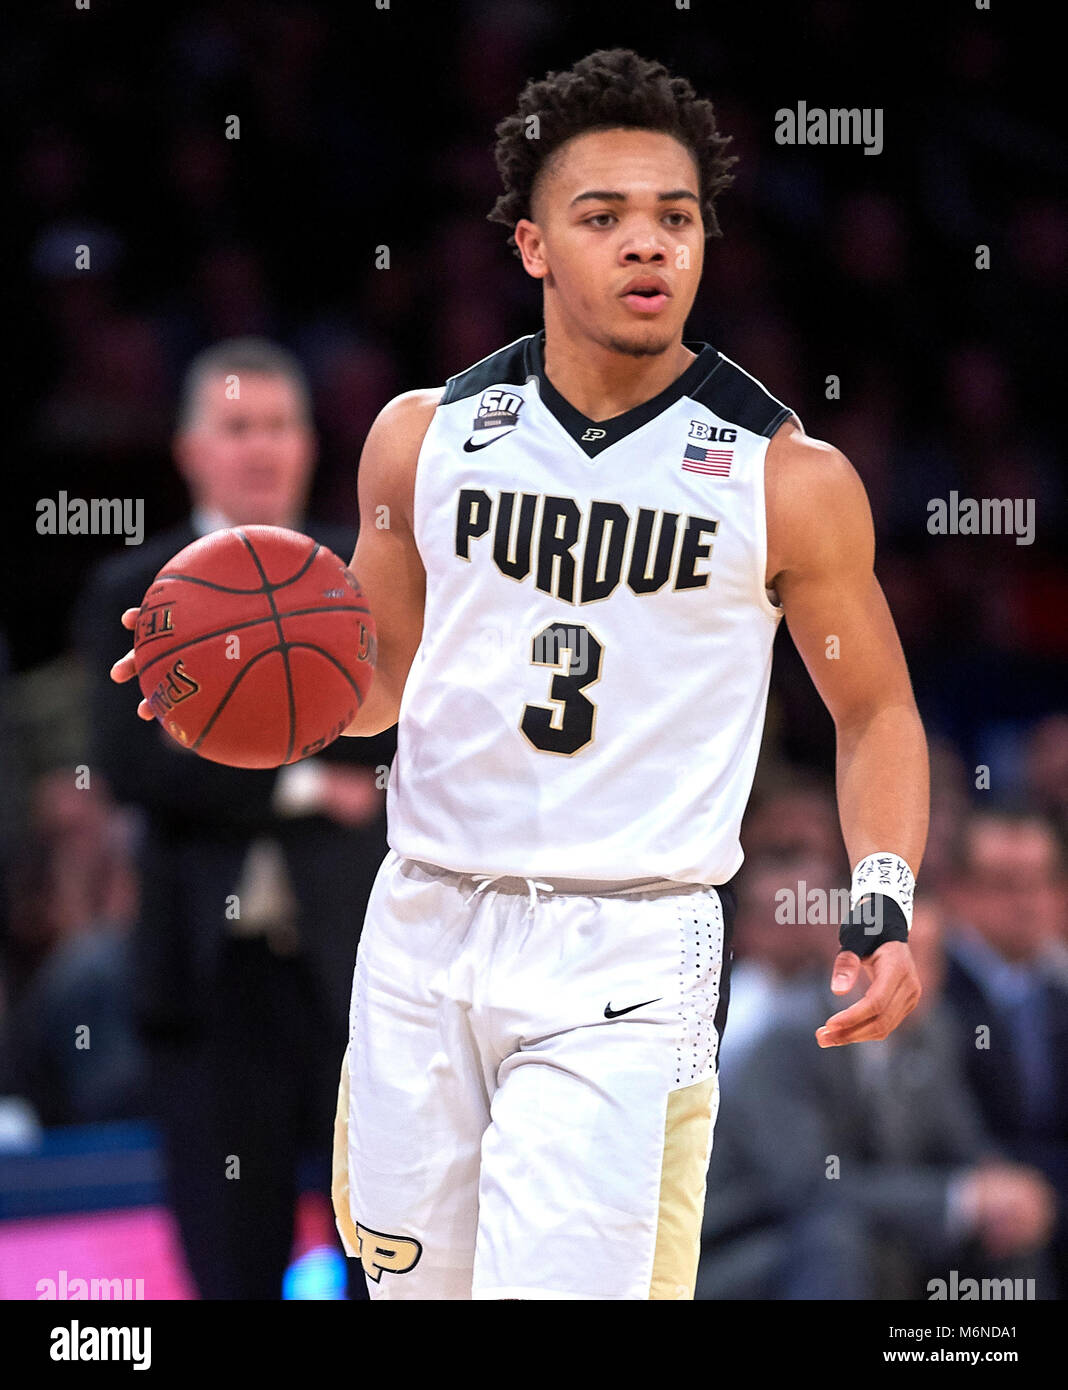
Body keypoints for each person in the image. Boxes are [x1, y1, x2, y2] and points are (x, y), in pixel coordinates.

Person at [112, 50, 929, 1301]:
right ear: (533, 246)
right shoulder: (423, 436)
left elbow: (874, 709)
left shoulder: (784, 478)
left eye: (675, 218)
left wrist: (881, 902)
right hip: (423, 918)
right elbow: (371, 689)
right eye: (603, 218)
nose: (646, 246)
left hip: (629, 942)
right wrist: (209, 692)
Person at [84, 336, 393, 1299]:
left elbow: (394, 753)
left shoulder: (370, 576)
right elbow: (136, 768)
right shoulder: (130, 592)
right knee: (229, 1263)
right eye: (235, 427)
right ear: (190, 451)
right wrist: (308, 783)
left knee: (389, 1254)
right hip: (205, 987)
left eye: (278, 426)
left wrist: (223, 744)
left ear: (309, 444)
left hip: (358, 978)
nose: (260, 449)